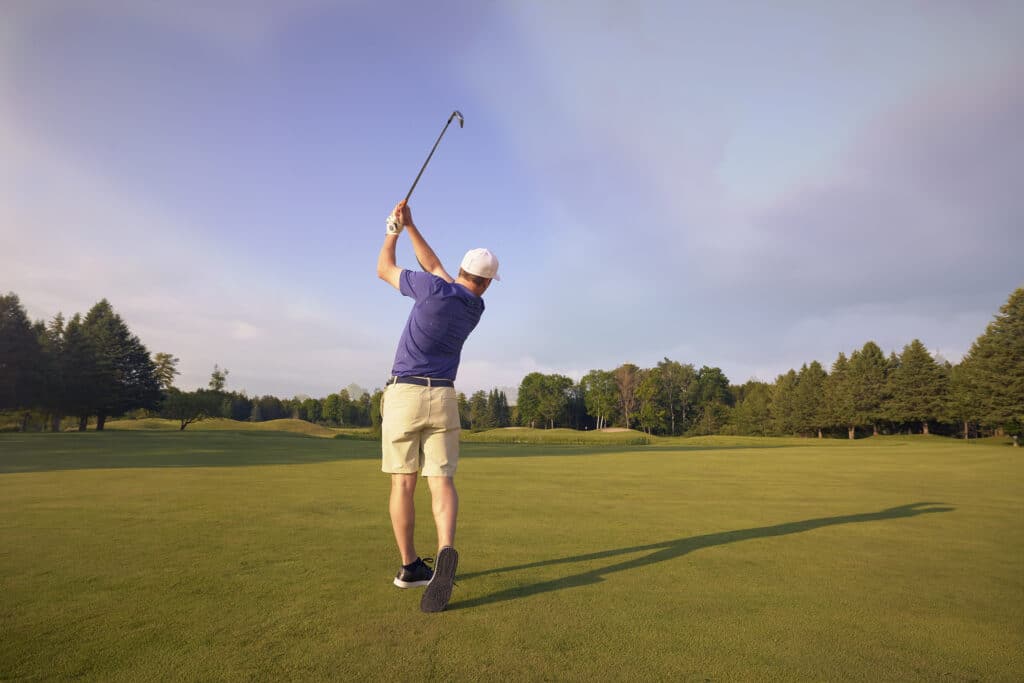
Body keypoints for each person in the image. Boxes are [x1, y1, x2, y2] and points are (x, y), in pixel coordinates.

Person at [375, 199, 499, 613]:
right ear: (484, 282)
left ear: (462, 272)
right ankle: (445, 548)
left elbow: (384, 269)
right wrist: (413, 226)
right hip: (444, 396)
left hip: (405, 394)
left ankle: (410, 566)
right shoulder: (473, 306)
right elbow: (435, 266)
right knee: (441, 481)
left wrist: (392, 229)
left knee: (402, 483)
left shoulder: (432, 288)